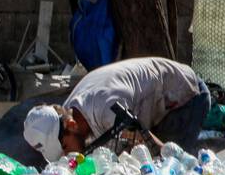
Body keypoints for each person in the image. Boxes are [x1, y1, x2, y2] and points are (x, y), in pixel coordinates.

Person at [23, 56, 211, 161]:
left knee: (169, 167)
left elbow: (146, 141)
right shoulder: (68, 111)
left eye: (64, 147)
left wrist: (181, 161)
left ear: (71, 126)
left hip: (184, 97)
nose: (67, 155)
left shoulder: (106, 108)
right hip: (149, 106)